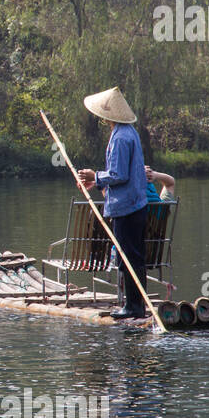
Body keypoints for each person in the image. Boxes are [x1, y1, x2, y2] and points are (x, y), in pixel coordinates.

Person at [77, 87, 149, 320]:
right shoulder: (131, 133)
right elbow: (125, 174)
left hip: (126, 208)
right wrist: (98, 183)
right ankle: (138, 305)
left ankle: (133, 307)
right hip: (137, 204)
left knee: (126, 257)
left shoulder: (119, 137)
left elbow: (118, 174)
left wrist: (95, 176)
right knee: (135, 256)